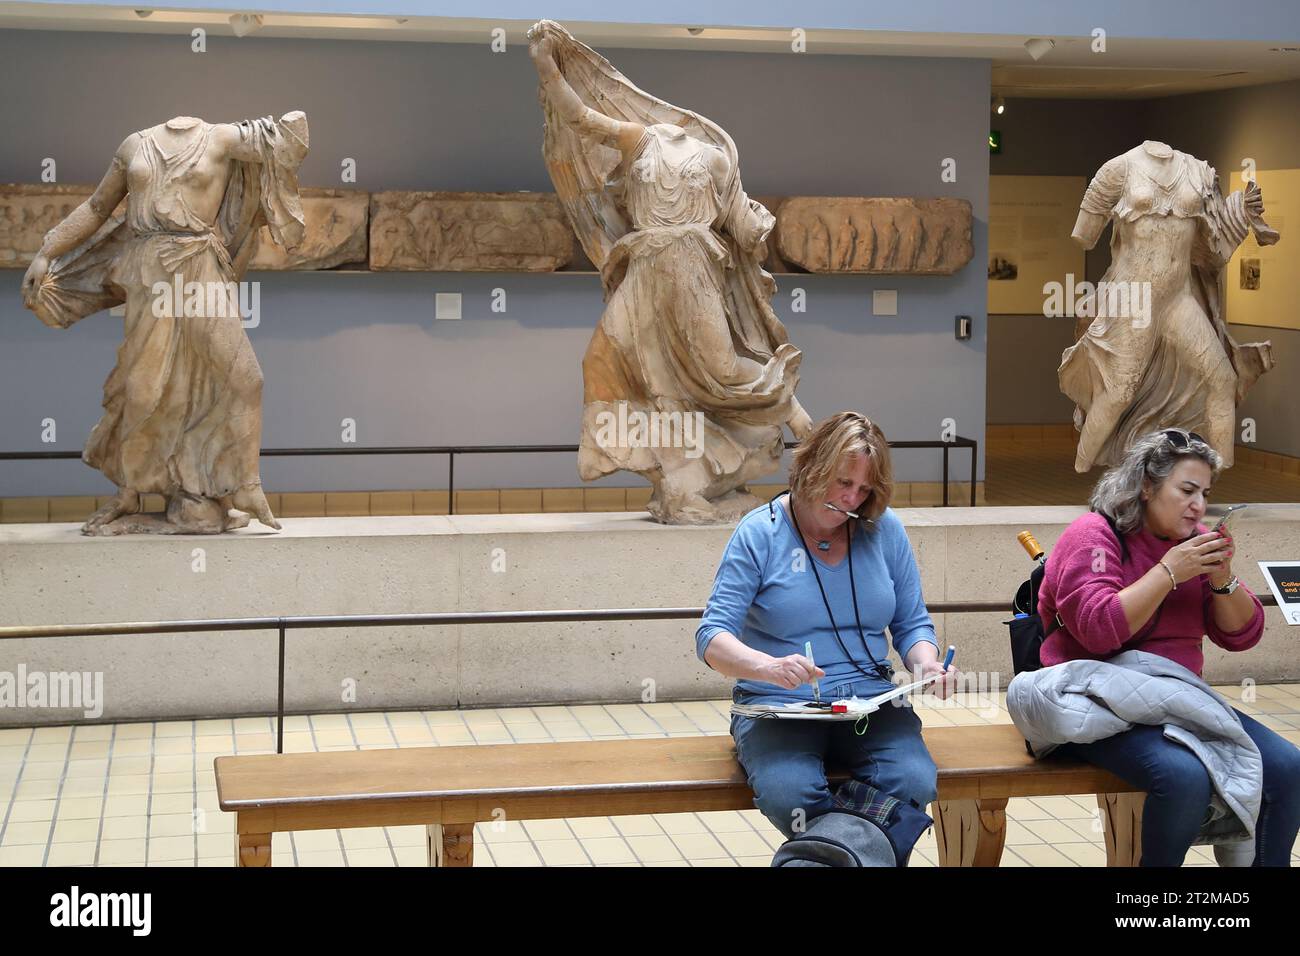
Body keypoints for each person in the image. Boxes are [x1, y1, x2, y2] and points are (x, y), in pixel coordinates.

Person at [527, 20, 813, 524]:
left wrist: (755, 236)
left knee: (721, 367)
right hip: (644, 266)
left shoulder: (716, 158)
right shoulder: (641, 140)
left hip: (694, 267)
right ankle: (676, 471)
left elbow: (739, 224)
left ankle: (798, 418)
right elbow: (579, 117)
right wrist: (545, 62)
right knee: (603, 360)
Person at [21, 112, 308, 534]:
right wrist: (47, 251)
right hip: (149, 271)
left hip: (199, 267)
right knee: (144, 386)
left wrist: (281, 124)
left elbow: (289, 140)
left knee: (245, 378)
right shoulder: (134, 145)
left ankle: (243, 484)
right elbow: (99, 206)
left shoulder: (220, 139)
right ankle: (131, 491)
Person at [1038, 428, 1300, 866]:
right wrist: (1167, 572)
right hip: (1099, 705)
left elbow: (1243, 634)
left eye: (1205, 493)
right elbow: (1099, 629)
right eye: (1187, 490)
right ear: (1145, 486)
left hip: (1179, 701)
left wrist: (1221, 575)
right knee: (1184, 777)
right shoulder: (1094, 535)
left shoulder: (1192, 543)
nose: (1199, 505)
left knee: (1288, 768)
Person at [696, 411, 957, 850]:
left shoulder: (884, 530)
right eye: (842, 482)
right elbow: (712, 637)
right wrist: (767, 665)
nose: (851, 499)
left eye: (864, 489)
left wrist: (926, 662)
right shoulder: (760, 533)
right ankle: (857, 853)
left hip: (867, 700)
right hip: (779, 703)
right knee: (789, 794)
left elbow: (912, 625)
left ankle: (827, 858)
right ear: (811, 466)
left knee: (913, 780)